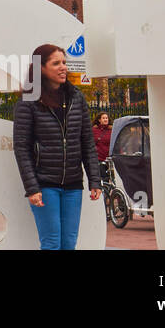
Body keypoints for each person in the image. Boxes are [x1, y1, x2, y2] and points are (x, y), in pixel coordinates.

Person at [12, 44, 102, 249]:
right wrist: (32, 188)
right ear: (41, 68)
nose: (63, 67)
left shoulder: (76, 98)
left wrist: (95, 179)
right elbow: (21, 148)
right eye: (56, 63)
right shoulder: (29, 101)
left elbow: (87, 142)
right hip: (45, 185)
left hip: (73, 185)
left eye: (64, 62)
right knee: (52, 243)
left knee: (69, 243)